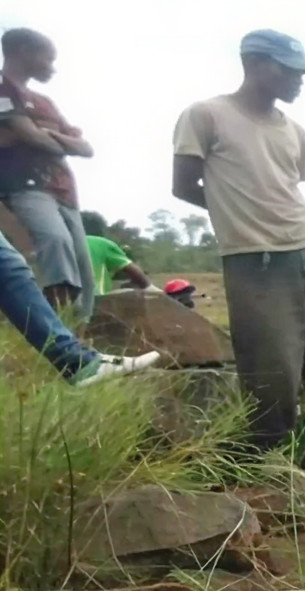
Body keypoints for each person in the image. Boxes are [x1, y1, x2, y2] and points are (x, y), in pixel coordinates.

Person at [172, 30, 305, 475]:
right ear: (255, 64)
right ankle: (267, 454)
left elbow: (285, 189)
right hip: (253, 257)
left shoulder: (294, 131)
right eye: (289, 71)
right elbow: (183, 185)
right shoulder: (206, 115)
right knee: (272, 365)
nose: (298, 80)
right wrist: (234, 213)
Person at [0, 28, 95, 319]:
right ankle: (56, 330)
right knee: (56, 243)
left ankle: (79, 333)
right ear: (24, 51)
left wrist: (45, 134)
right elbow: (33, 137)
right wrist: (48, 138)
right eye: (47, 59)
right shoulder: (3, 89)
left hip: (64, 189)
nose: (51, 68)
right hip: (25, 185)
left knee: (83, 268)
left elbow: (86, 148)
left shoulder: (45, 102)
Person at [0, 226, 157, 383]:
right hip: (95, 301)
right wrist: (153, 291)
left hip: (57, 301)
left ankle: (80, 361)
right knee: (11, 267)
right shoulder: (102, 243)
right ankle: (83, 362)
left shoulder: (48, 244)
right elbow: (134, 272)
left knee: (11, 267)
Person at [84, 227, 153, 293]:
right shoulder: (102, 244)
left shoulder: (78, 244)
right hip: (94, 297)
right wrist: (150, 288)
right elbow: (135, 272)